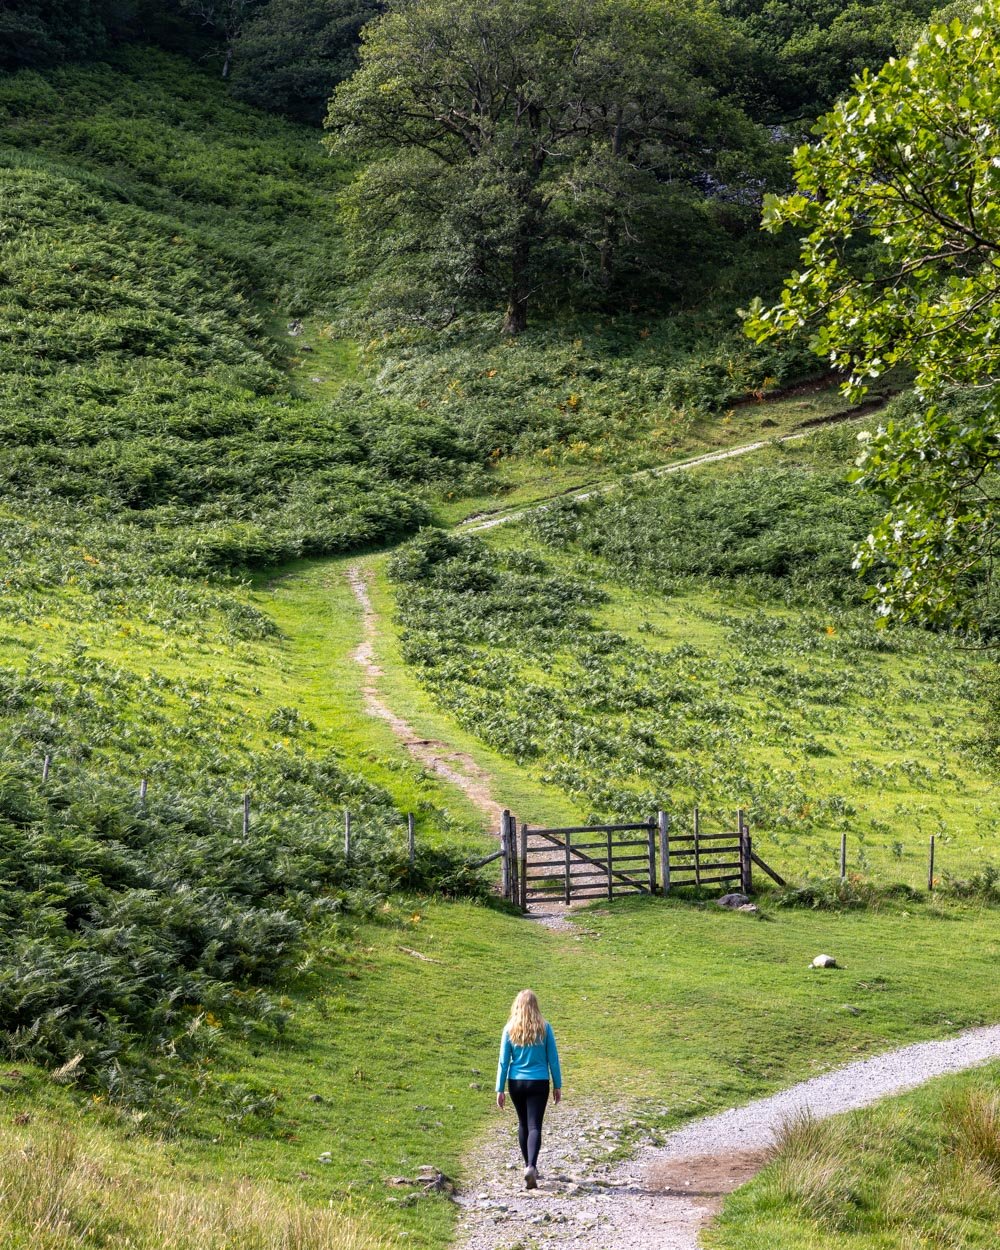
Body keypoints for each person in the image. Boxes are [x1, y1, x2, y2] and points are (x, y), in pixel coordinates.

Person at [495, 989, 562, 1189]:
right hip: (539, 1081)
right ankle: (532, 1165)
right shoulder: (545, 1028)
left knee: (523, 1124)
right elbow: (554, 1060)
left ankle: (527, 1165)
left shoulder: (510, 1029)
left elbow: (503, 1061)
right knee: (535, 1126)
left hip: (516, 1082)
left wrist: (499, 1089)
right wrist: (557, 1085)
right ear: (535, 1006)